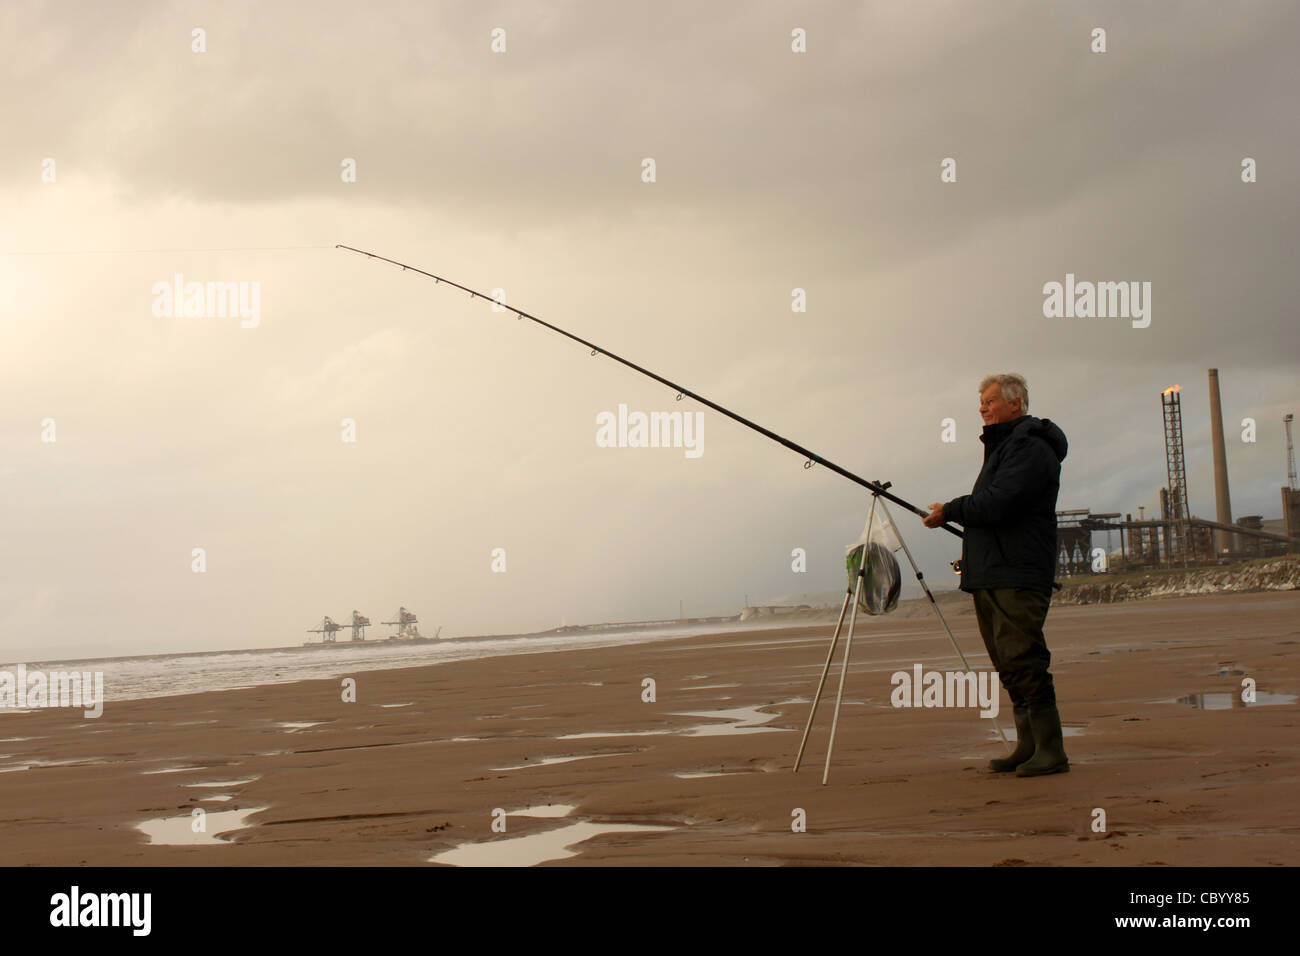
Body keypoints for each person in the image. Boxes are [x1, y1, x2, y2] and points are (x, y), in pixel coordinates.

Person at [923, 373, 1070, 776]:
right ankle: (1028, 744)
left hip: (1018, 574)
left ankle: (1051, 750)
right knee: (1006, 662)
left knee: (1024, 658)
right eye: (981, 402)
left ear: (1016, 402)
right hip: (992, 573)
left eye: (989, 401)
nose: (982, 408)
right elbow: (991, 504)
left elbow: (999, 503)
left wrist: (949, 510)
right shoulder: (1005, 447)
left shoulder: (1031, 447)